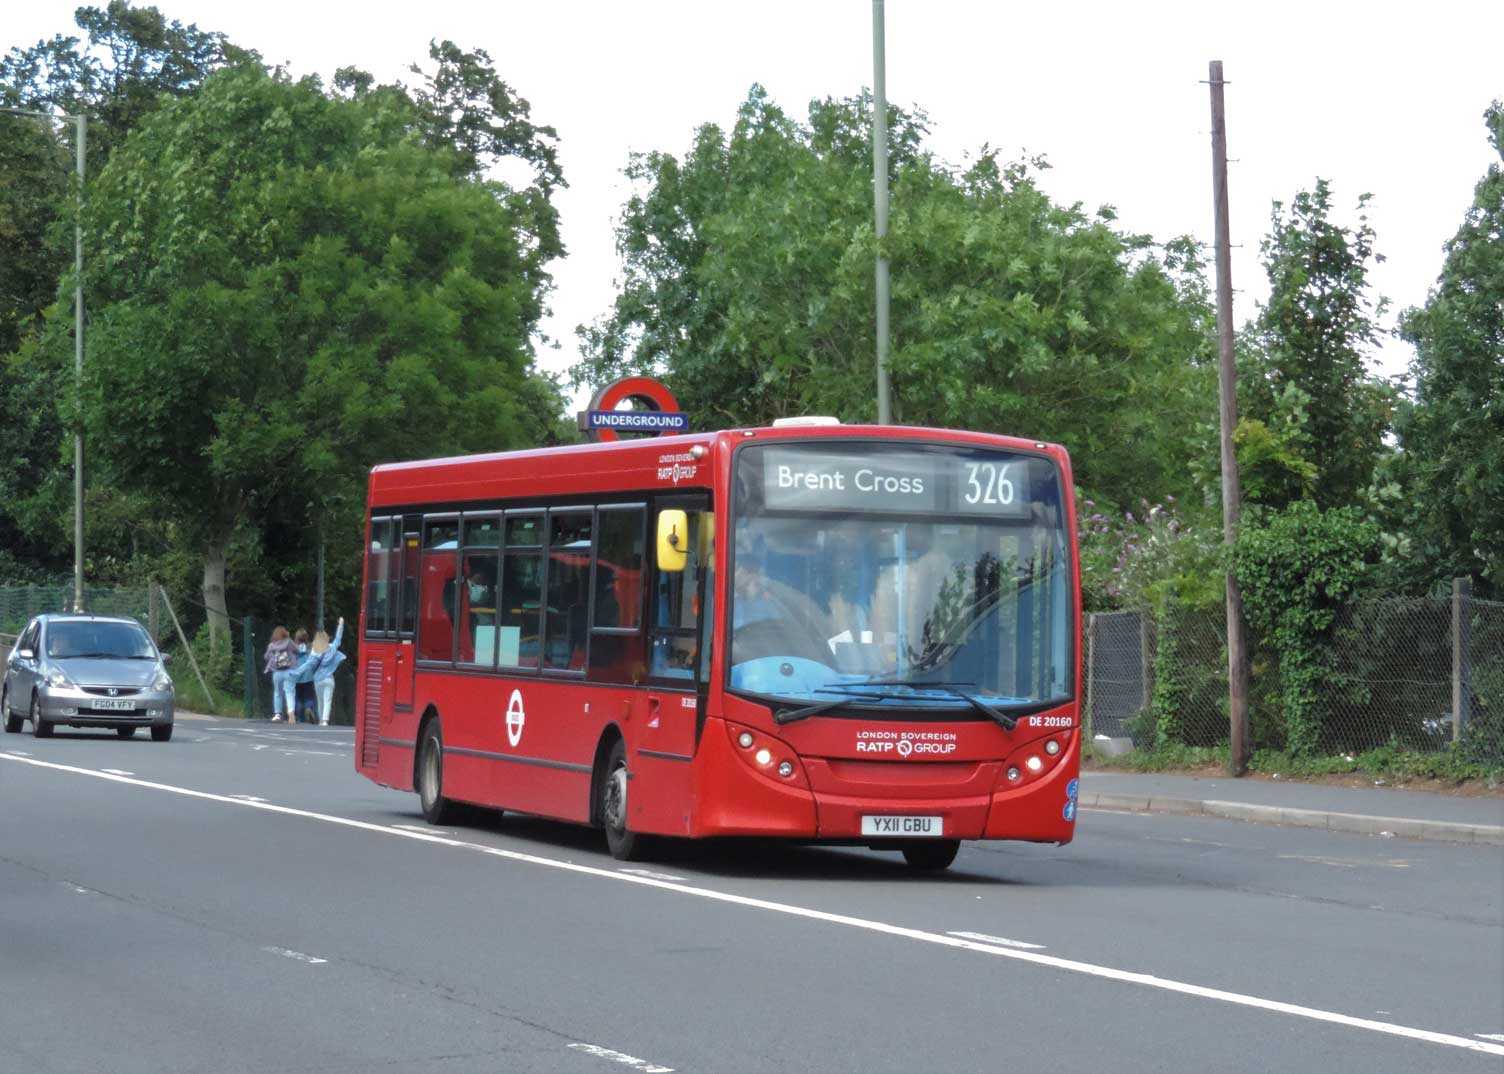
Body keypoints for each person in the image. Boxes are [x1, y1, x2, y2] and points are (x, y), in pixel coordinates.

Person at [291, 618, 346, 726]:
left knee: (320, 700)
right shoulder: (332, 648)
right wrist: (341, 625)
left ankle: (321, 720)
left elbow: (308, 665)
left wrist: (296, 672)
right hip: (329, 678)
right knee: (327, 700)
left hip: (318, 680)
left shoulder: (315, 651)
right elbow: (338, 639)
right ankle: (325, 720)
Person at [263, 626, 299, 722]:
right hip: (290, 670)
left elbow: (266, 657)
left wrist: (273, 655)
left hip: (277, 672)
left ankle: (277, 714)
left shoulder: (271, 645)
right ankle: (291, 712)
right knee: (290, 692)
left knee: (277, 693)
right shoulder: (289, 642)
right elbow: (297, 651)